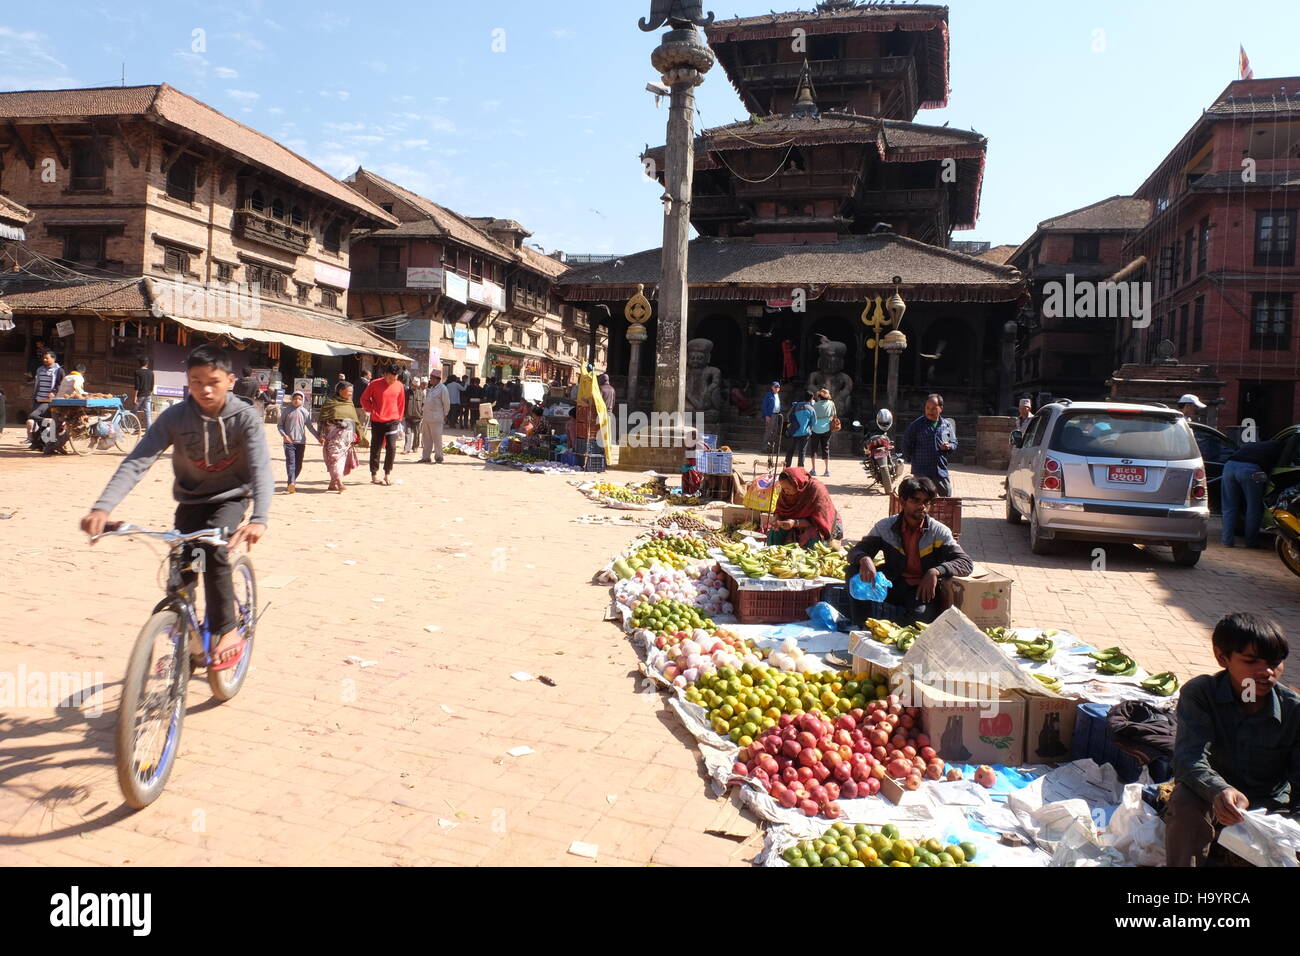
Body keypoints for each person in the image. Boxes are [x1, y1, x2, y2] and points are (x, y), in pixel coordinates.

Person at [80, 343, 272, 671]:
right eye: (196, 381)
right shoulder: (174, 418)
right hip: (190, 500)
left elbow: (261, 469)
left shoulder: (245, 418)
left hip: (231, 498)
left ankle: (226, 630)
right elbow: (137, 461)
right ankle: (189, 639)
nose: (204, 389)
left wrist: (259, 518)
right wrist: (102, 508)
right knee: (179, 574)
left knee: (214, 552)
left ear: (229, 380)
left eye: (212, 381)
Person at [1165, 612, 1297, 867]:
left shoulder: (1294, 711)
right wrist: (1220, 790)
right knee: (1184, 801)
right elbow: (1188, 759)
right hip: (1211, 797)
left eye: (1276, 662)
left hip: (1269, 811)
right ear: (1222, 657)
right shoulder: (1201, 694)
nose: (1267, 672)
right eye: (1251, 661)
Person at [845, 475, 973, 626]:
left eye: (926, 502)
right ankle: (861, 624)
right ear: (903, 502)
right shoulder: (885, 527)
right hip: (892, 582)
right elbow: (857, 550)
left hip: (920, 589)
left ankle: (891, 624)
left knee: (921, 620)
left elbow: (965, 563)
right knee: (854, 570)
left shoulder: (939, 531)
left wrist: (935, 571)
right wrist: (864, 559)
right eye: (915, 501)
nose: (922, 507)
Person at [1220, 439, 1285, 548]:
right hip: (1251, 470)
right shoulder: (1279, 450)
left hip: (1229, 467)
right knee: (1253, 507)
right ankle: (1251, 542)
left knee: (1229, 506)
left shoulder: (1255, 445)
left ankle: (1227, 540)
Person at [899, 393, 958, 497]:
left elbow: (954, 442)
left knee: (946, 497)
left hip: (939, 470)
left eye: (933, 408)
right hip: (921, 471)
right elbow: (906, 443)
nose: (930, 411)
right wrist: (912, 459)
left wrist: (949, 446)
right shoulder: (916, 425)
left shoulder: (946, 425)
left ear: (941, 408)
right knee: (922, 498)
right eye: (927, 408)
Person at [770, 467, 843, 547]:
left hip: (819, 524)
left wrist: (795, 523)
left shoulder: (816, 489)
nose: (785, 492)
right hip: (793, 522)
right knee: (775, 532)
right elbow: (780, 510)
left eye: (788, 489)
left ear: (797, 484)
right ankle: (771, 553)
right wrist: (776, 518)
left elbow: (819, 520)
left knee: (813, 540)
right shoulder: (785, 493)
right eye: (783, 489)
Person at [361, 364, 406, 485]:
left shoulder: (399, 386)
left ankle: (387, 474)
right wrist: (372, 410)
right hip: (377, 421)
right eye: (390, 378)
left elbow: (401, 404)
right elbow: (364, 399)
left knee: (391, 447)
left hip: (393, 420)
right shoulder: (374, 384)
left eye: (395, 378)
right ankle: (374, 474)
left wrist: (399, 418)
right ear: (385, 374)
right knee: (376, 448)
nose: (392, 380)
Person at [318, 382, 361, 492]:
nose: (351, 394)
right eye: (349, 391)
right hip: (332, 437)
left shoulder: (349, 403)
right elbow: (322, 420)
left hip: (346, 439)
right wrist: (321, 434)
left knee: (340, 459)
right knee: (335, 457)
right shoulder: (330, 402)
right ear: (340, 391)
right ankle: (339, 481)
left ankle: (333, 482)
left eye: (352, 391)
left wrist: (357, 434)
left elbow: (354, 420)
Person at [26, 350, 65, 446]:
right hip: (38, 399)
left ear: (53, 358)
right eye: (43, 358)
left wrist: (54, 392)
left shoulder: (59, 370)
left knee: (32, 416)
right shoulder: (40, 369)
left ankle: (49, 439)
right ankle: (39, 442)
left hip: (49, 401)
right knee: (35, 421)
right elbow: (37, 383)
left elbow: (61, 384)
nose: (45, 360)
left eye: (47, 358)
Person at [276, 391, 311, 494]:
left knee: (299, 464)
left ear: (303, 400)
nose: (297, 401)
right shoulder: (286, 411)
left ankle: (291, 482)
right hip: (289, 442)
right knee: (291, 462)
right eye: (295, 398)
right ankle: (291, 482)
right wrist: (284, 435)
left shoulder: (305, 412)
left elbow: (310, 426)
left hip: (301, 442)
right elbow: (280, 425)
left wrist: (318, 437)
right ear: (292, 400)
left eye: (300, 399)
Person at [420, 370, 451, 464]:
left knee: (437, 439)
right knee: (426, 439)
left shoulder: (443, 388)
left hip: (436, 418)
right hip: (427, 417)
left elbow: (447, 403)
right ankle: (426, 457)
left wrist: (444, 414)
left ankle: (439, 457)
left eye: (432, 378)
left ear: (437, 379)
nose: (430, 380)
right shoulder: (432, 388)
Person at [810, 386, 836, 478]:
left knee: (814, 448)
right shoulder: (831, 403)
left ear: (819, 396)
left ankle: (813, 469)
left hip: (815, 428)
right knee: (826, 448)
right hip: (826, 428)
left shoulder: (815, 405)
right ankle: (827, 470)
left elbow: (812, 416)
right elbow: (833, 415)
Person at [784, 395, 814, 469]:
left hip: (794, 432)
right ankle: (800, 470)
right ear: (811, 399)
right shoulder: (811, 409)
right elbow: (814, 422)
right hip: (805, 433)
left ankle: (786, 468)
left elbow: (788, 417)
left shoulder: (795, 406)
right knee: (802, 452)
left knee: (790, 451)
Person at [403, 375, 425, 454]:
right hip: (408, 416)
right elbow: (403, 403)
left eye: (416, 386)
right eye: (413, 385)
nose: (414, 387)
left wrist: (422, 413)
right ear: (411, 385)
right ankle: (406, 448)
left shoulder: (421, 393)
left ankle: (415, 447)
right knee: (407, 433)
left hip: (418, 417)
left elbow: (424, 404)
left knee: (417, 433)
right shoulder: (406, 393)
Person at [133, 355, 155, 429]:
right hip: (148, 395)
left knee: (135, 411)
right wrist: (149, 393)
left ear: (140, 363)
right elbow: (152, 386)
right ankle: (149, 430)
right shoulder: (151, 373)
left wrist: (135, 397)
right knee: (148, 413)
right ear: (147, 363)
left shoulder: (137, 372)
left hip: (140, 395)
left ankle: (135, 427)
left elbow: (137, 386)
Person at [762, 381, 783, 454]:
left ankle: (772, 448)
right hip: (770, 415)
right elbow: (764, 406)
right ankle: (764, 448)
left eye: (778, 387)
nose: (777, 388)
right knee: (768, 431)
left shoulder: (778, 395)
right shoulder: (768, 395)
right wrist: (766, 415)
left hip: (777, 415)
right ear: (772, 387)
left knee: (775, 432)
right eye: (775, 387)